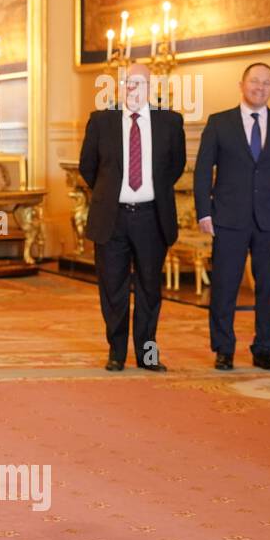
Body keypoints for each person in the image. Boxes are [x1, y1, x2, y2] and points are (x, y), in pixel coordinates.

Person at [194, 62, 270, 370]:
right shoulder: (219, 123)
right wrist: (204, 212)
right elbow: (203, 171)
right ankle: (224, 348)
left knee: (268, 287)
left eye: (267, 83)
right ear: (241, 85)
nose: (260, 87)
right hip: (228, 218)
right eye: (255, 81)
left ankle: (264, 348)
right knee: (225, 286)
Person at [79, 62, 187, 371]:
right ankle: (116, 352)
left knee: (150, 290)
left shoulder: (169, 122)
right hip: (112, 219)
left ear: (150, 88)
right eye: (128, 83)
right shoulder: (101, 121)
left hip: (152, 218)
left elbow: (174, 167)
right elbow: (89, 167)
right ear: (119, 87)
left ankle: (147, 354)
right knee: (112, 289)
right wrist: (111, 193)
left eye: (139, 83)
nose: (132, 88)